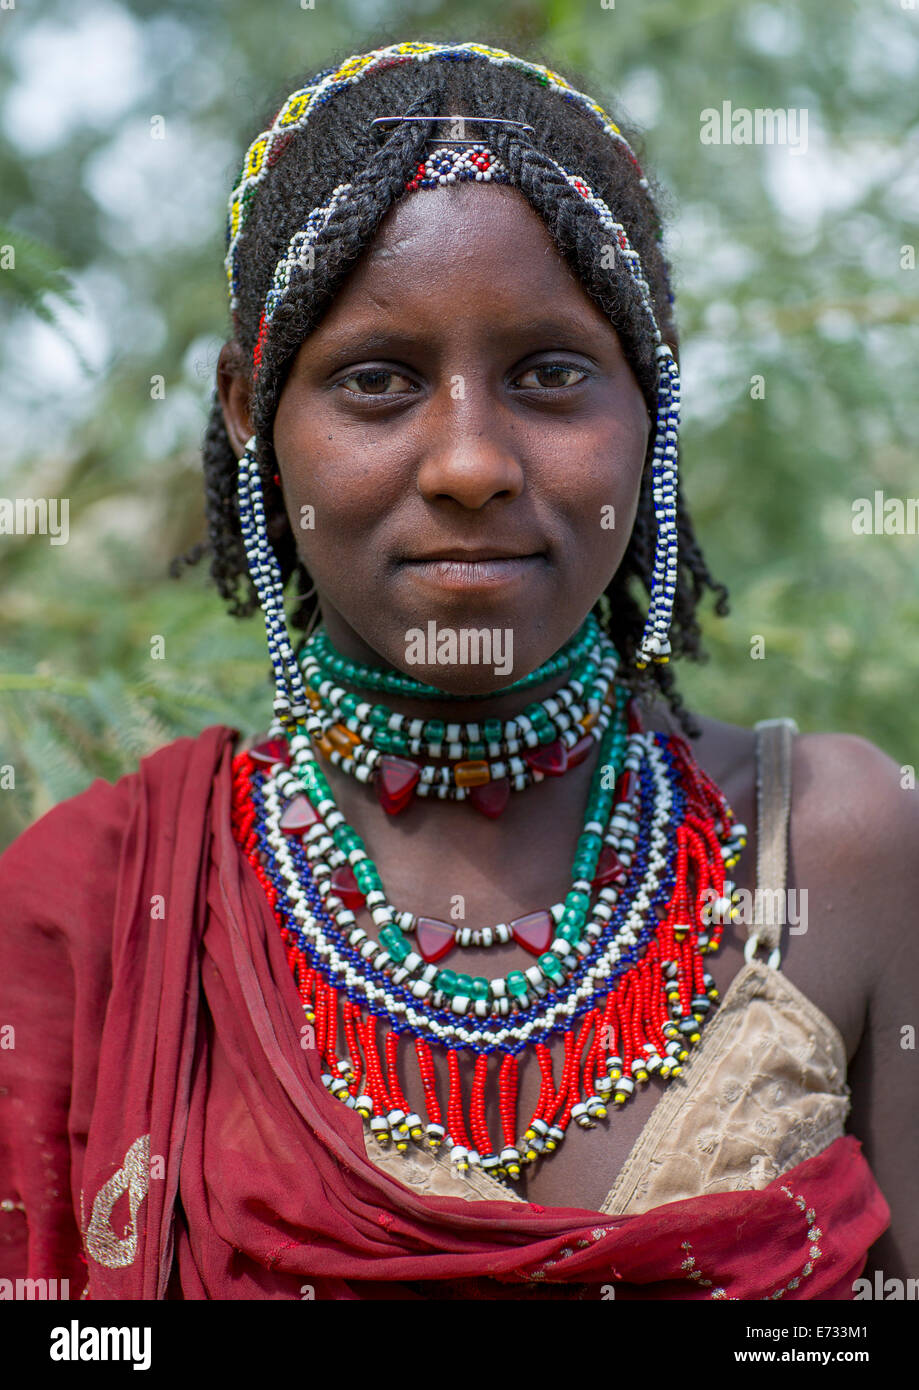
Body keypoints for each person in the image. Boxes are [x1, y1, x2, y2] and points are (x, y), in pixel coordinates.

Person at [1, 38, 914, 1302]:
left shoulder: (838, 848)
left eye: (549, 374)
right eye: (378, 380)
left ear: (650, 399)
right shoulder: (91, 907)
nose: (470, 461)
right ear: (247, 412)